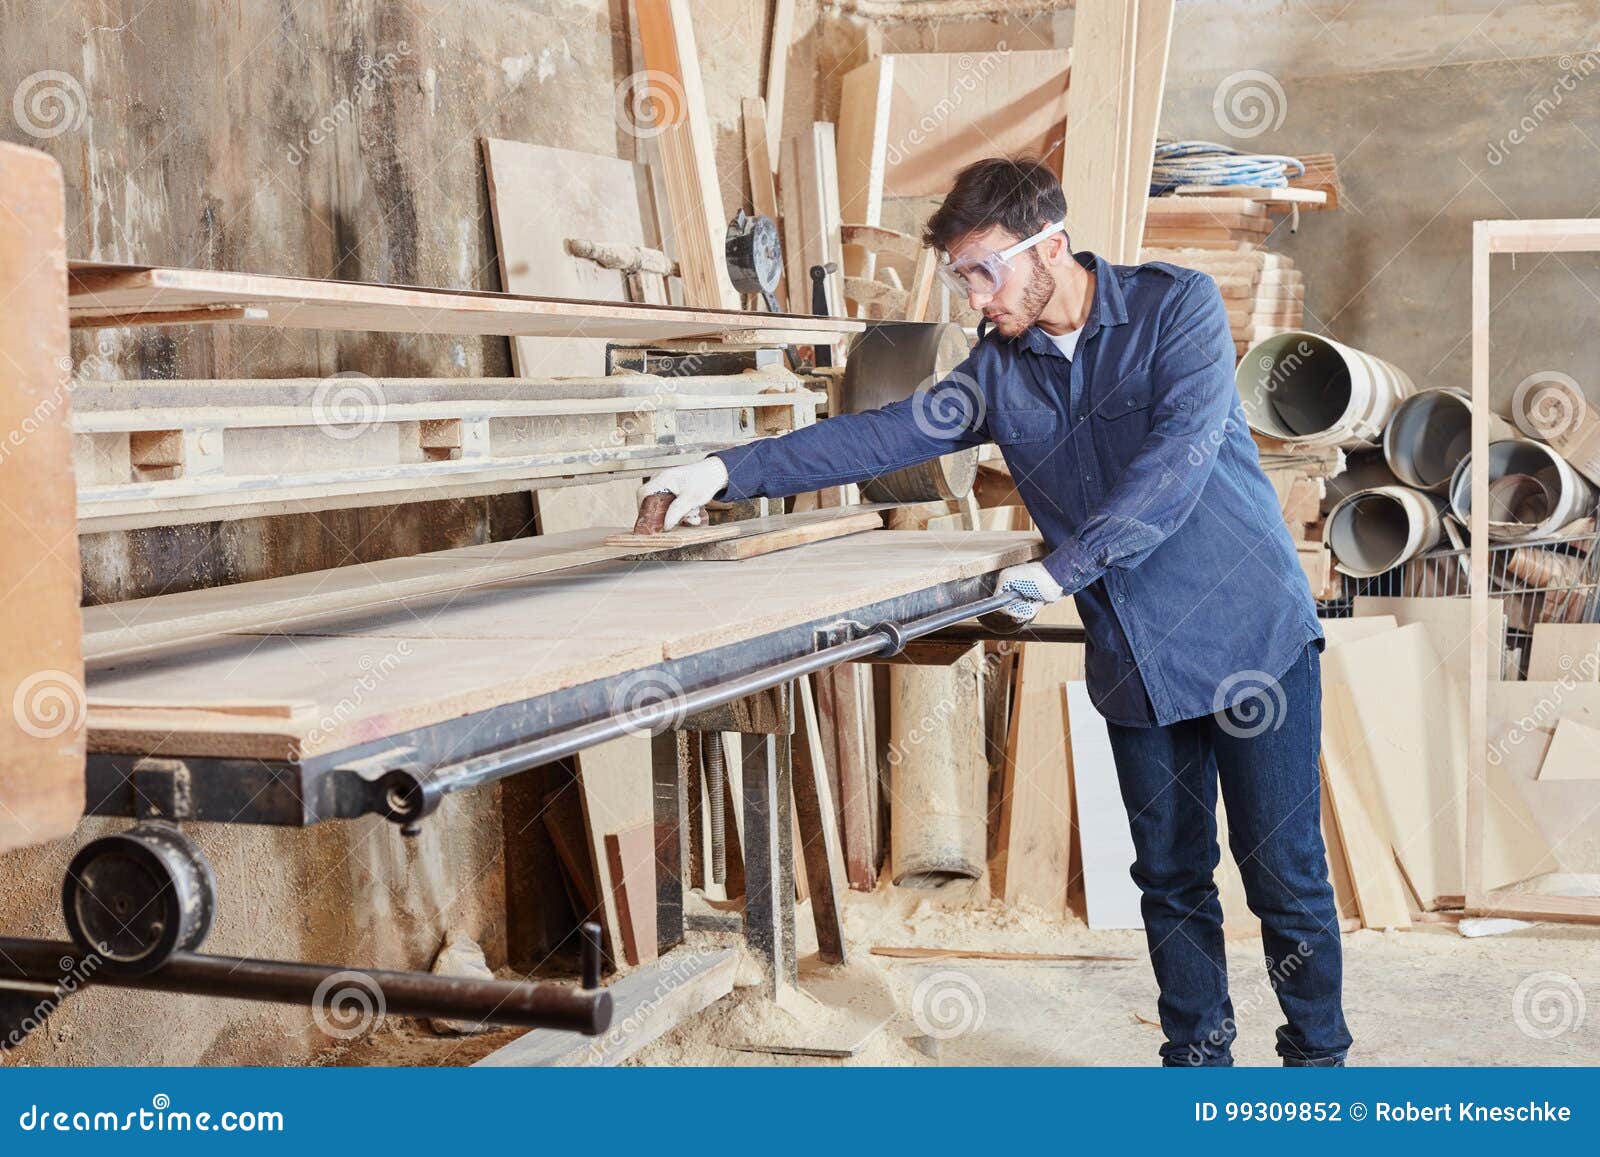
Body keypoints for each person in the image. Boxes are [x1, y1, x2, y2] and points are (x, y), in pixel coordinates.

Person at [635, 156, 1349, 1067]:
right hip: (1138, 657)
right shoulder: (997, 372)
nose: (975, 298)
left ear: (1049, 244)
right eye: (961, 276)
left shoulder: (1178, 309)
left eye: (985, 271)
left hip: (1250, 635)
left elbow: (1174, 464)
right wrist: (723, 471)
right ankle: (1196, 1067)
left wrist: (1063, 570)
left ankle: (1318, 1068)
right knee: (1171, 879)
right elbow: (882, 434)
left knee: (1284, 874)